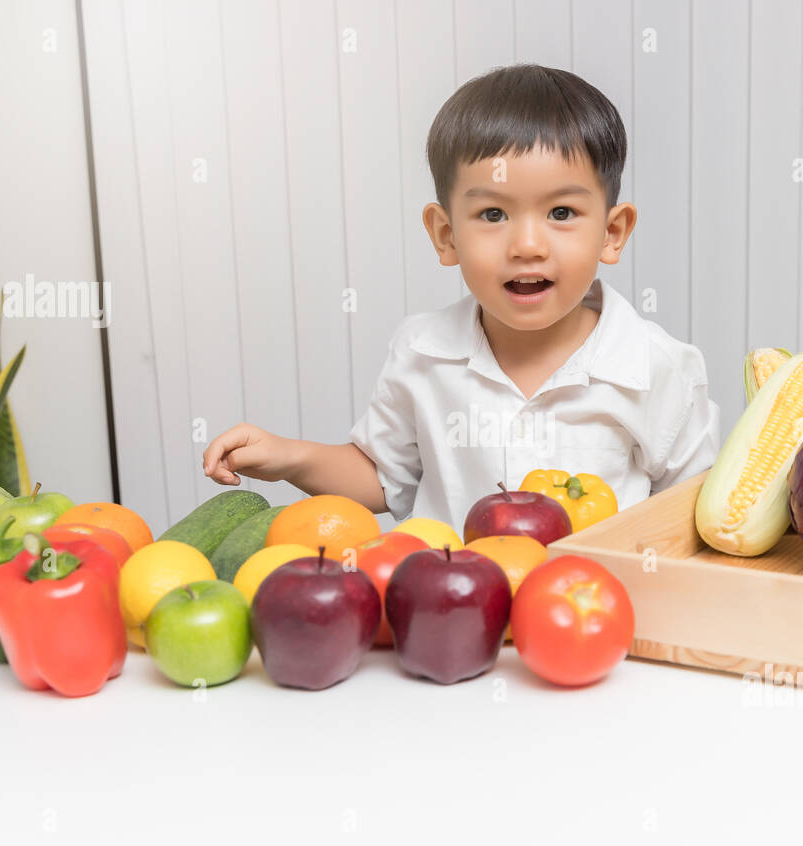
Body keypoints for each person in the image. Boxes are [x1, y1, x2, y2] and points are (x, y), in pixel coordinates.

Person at [203, 64, 722, 534]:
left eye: (561, 213)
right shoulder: (423, 353)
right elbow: (383, 479)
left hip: (587, 619)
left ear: (612, 232)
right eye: (493, 215)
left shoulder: (658, 368)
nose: (527, 246)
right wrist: (290, 457)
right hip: (449, 612)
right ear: (446, 235)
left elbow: (691, 513)